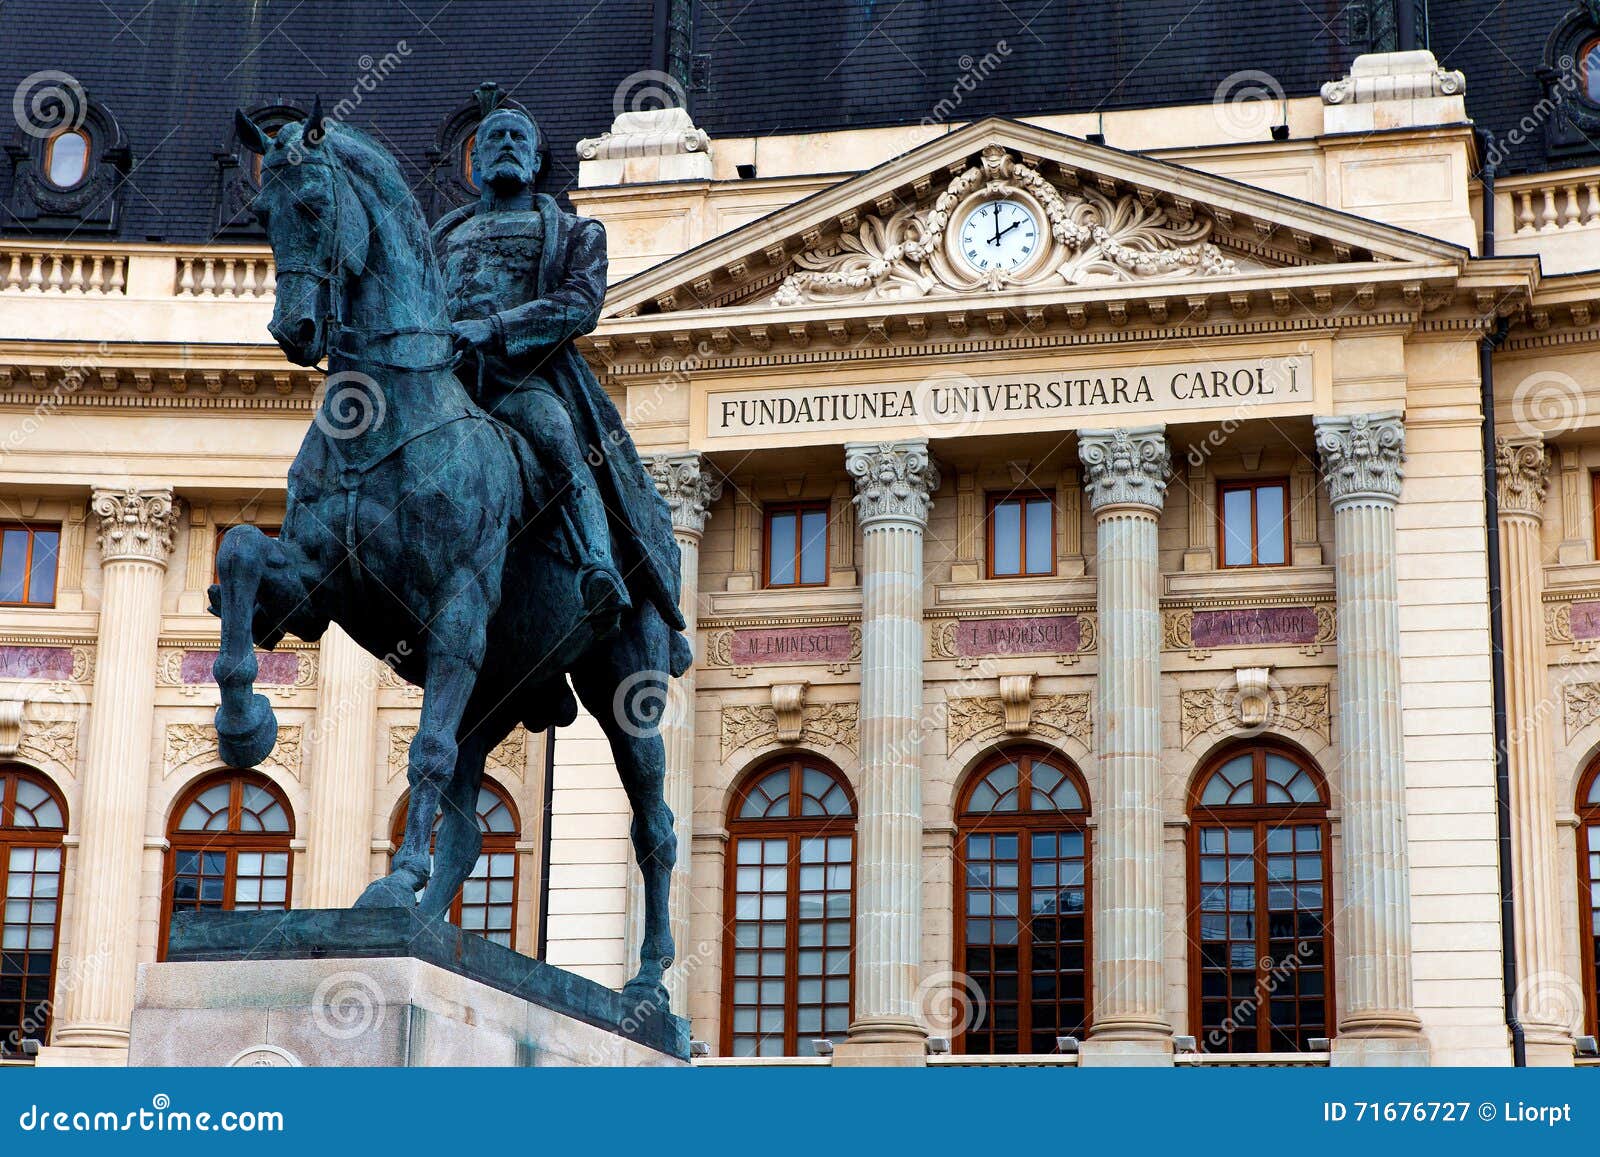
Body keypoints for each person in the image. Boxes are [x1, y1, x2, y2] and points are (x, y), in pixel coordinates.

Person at [432, 102, 684, 639]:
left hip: (519, 379)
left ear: (534, 161)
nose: (505, 144)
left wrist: (494, 329)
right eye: (493, 138)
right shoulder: (442, 236)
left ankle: (597, 563)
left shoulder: (574, 233)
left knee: (557, 436)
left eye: (517, 138)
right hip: (441, 377)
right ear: (475, 162)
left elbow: (578, 304)